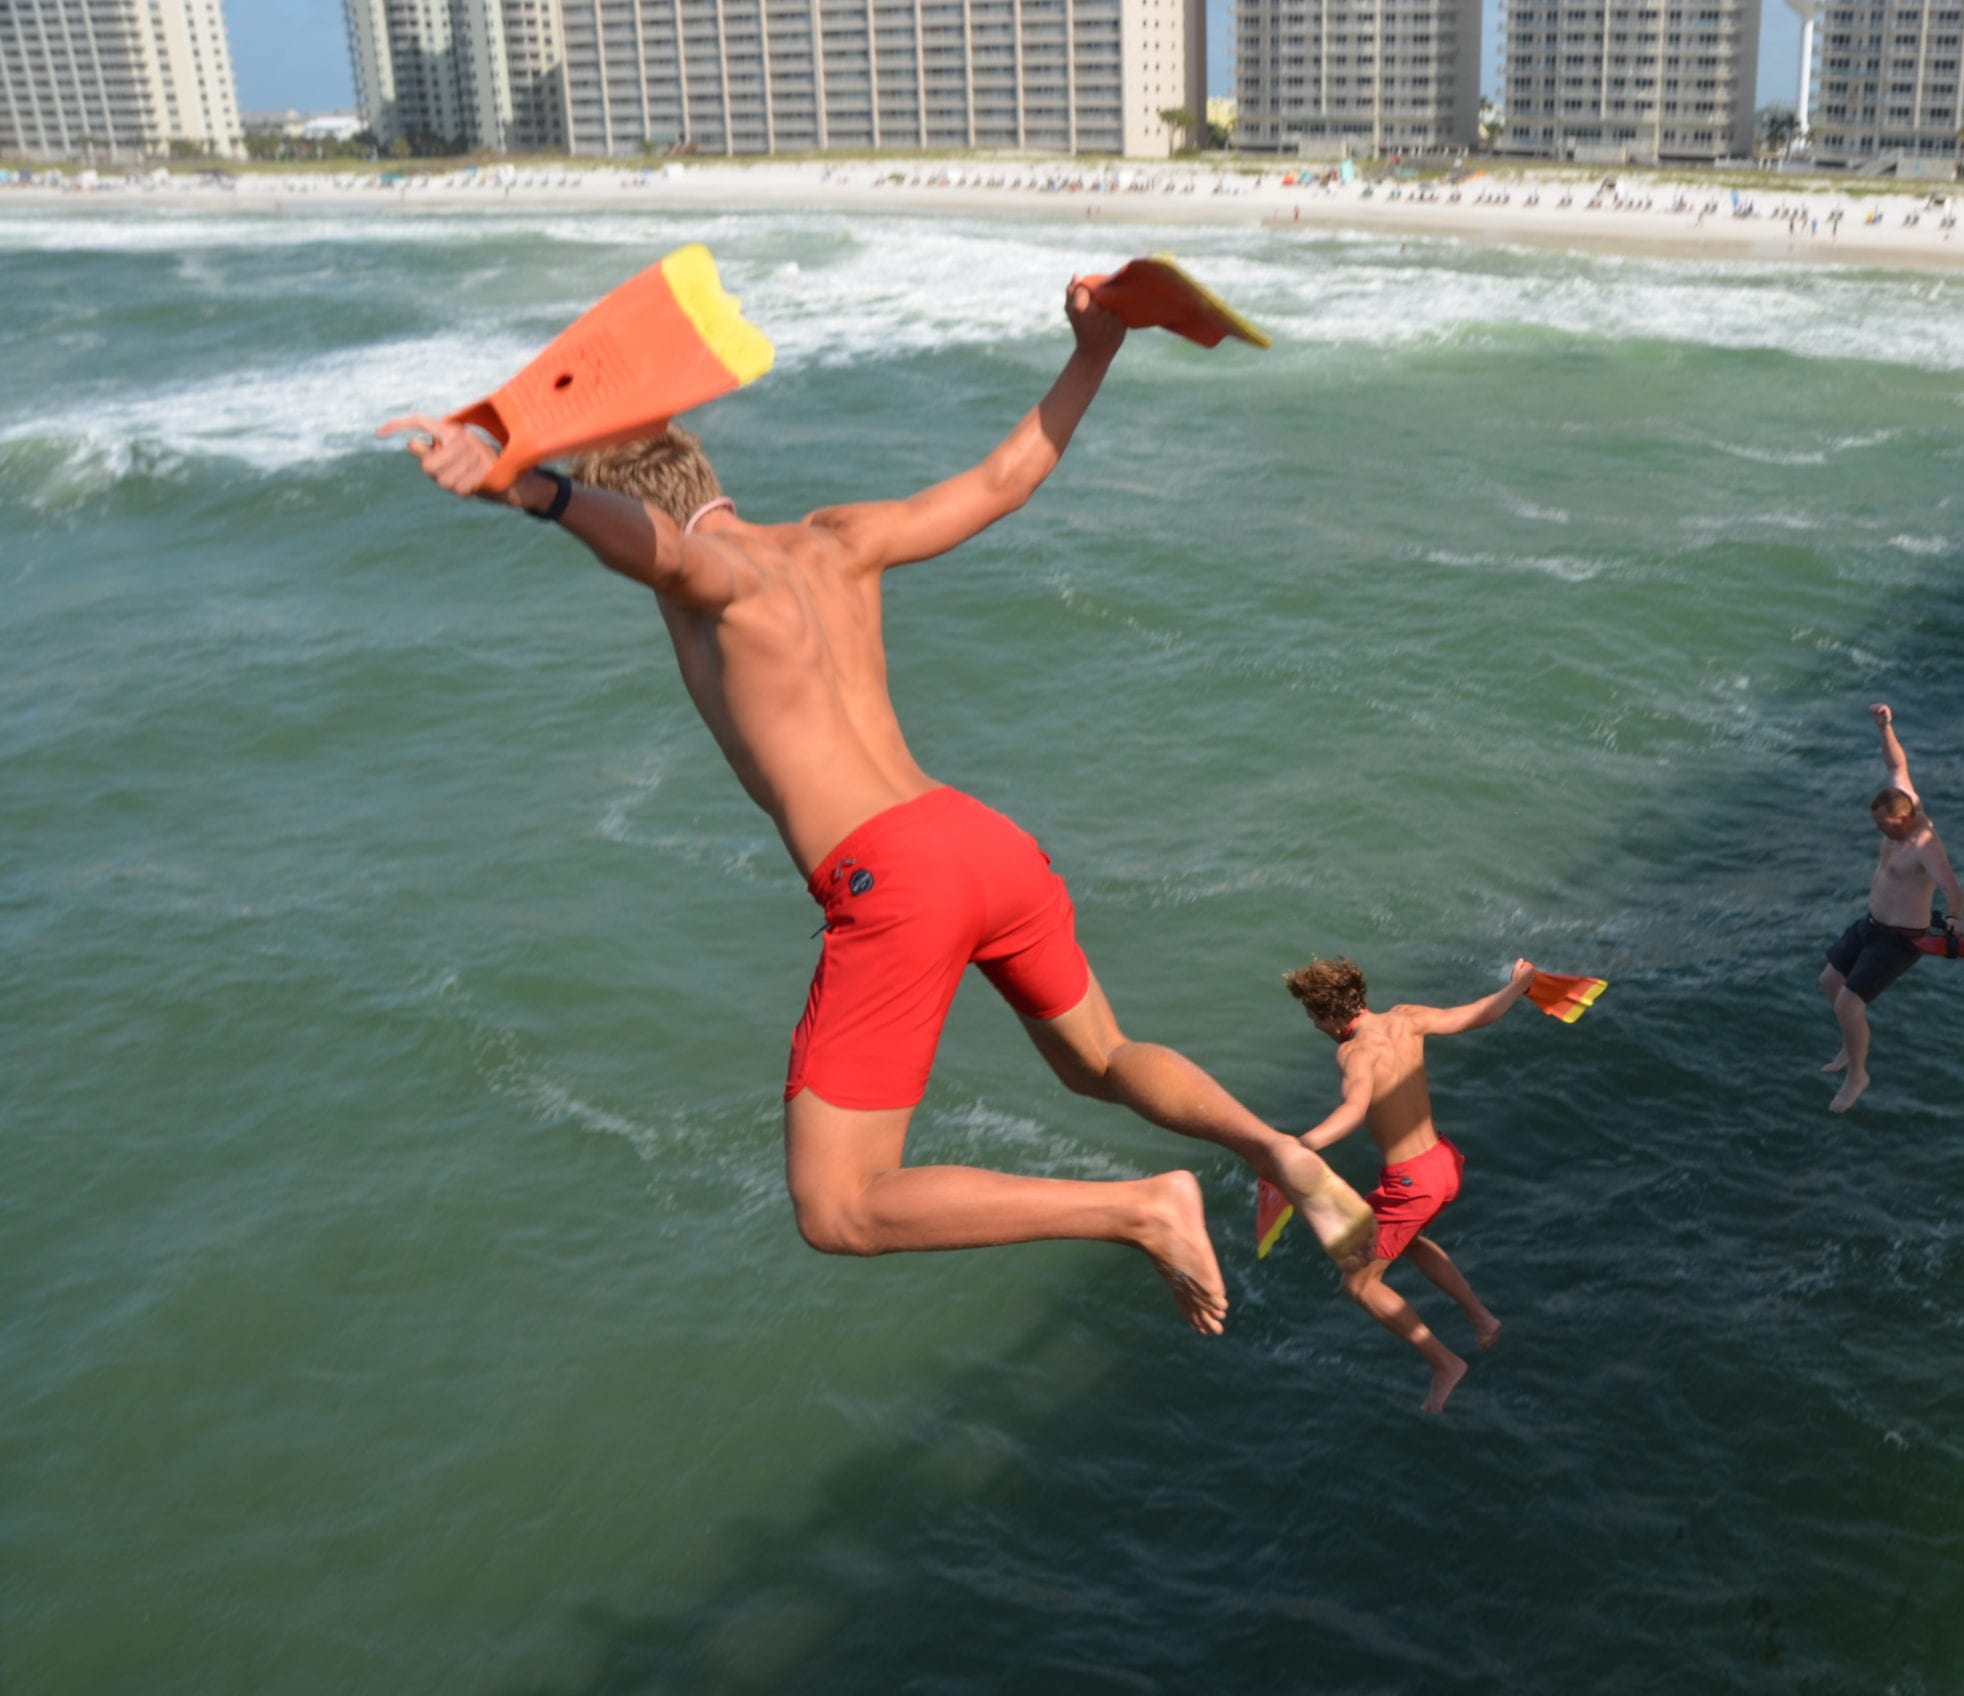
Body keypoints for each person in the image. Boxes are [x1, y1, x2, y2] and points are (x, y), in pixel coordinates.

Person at [377, 281, 1374, 1338]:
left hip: (893, 875)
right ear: (705, 471)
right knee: (1101, 1059)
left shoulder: (710, 577)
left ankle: (1140, 1206)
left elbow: (664, 552)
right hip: (981, 839)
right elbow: (1004, 479)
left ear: (642, 503)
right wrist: (1097, 347)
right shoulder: (838, 539)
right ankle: (1272, 1145)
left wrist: (531, 493)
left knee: (839, 1206)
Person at [1284, 955, 1526, 1414]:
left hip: (1411, 1183)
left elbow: (1354, 1110)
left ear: (1331, 1013)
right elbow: (1478, 1013)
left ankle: (1443, 1363)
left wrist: (1301, 1145)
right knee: (1405, 1240)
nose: (1316, 1027)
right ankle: (1482, 1318)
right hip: (1443, 1161)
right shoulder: (1406, 1018)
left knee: (1357, 1284)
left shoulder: (1354, 1051)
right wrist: (1520, 985)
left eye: (1314, 1017)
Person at [1818, 704, 1964, 1113]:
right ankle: (1851, 1043)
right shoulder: (1905, 798)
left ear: (1903, 820)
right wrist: (1886, 727)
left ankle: (1858, 1075)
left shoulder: (1925, 846)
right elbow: (1896, 764)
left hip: (1900, 940)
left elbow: (1954, 891)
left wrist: (1953, 919)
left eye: (1885, 827)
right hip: (1870, 925)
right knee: (1830, 982)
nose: (1879, 832)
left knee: (1850, 1004)